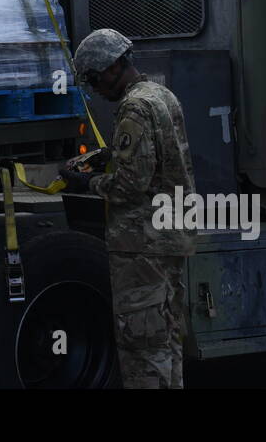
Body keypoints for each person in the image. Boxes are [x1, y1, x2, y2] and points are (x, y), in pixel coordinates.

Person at [61, 28, 197, 389]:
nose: (95, 89)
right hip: (169, 240)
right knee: (167, 343)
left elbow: (130, 185)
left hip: (142, 247)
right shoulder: (160, 95)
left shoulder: (134, 108)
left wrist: (86, 182)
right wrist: (109, 155)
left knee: (142, 350)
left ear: (111, 68)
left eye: (93, 79)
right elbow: (161, 157)